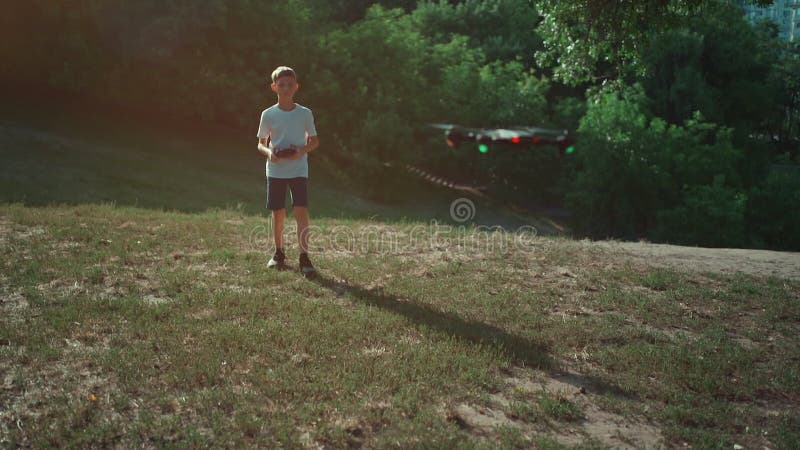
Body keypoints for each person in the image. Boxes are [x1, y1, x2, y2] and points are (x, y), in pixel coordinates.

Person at [256, 66, 319, 274]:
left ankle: (304, 257)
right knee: (278, 212)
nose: (286, 88)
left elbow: (314, 141)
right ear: (274, 87)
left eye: (290, 84)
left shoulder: (304, 113)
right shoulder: (268, 114)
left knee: (301, 210)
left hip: (299, 169)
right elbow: (261, 143)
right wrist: (270, 153)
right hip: (275, 170)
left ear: (296, 87)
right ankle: (278, 253)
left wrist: (300, 151)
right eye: (281, 84)